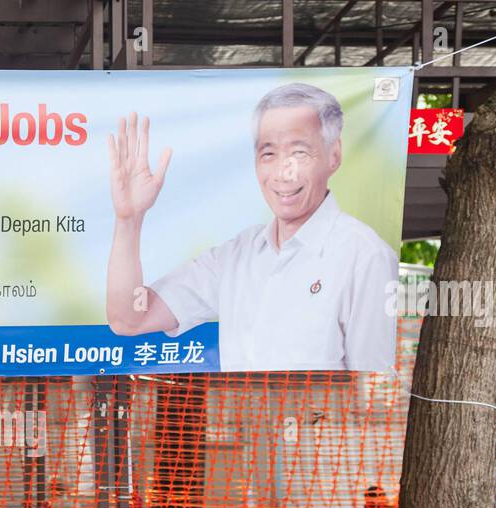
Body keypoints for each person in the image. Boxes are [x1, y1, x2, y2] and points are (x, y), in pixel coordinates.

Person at [105, 82, 399, 371]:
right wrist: (129, 220)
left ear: (333, 156)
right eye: (268, 154)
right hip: (238, 420)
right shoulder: (235, 257)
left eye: (299, 153)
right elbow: (129, 319)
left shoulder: (365, 256)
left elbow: (372, 392)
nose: (284, 174)